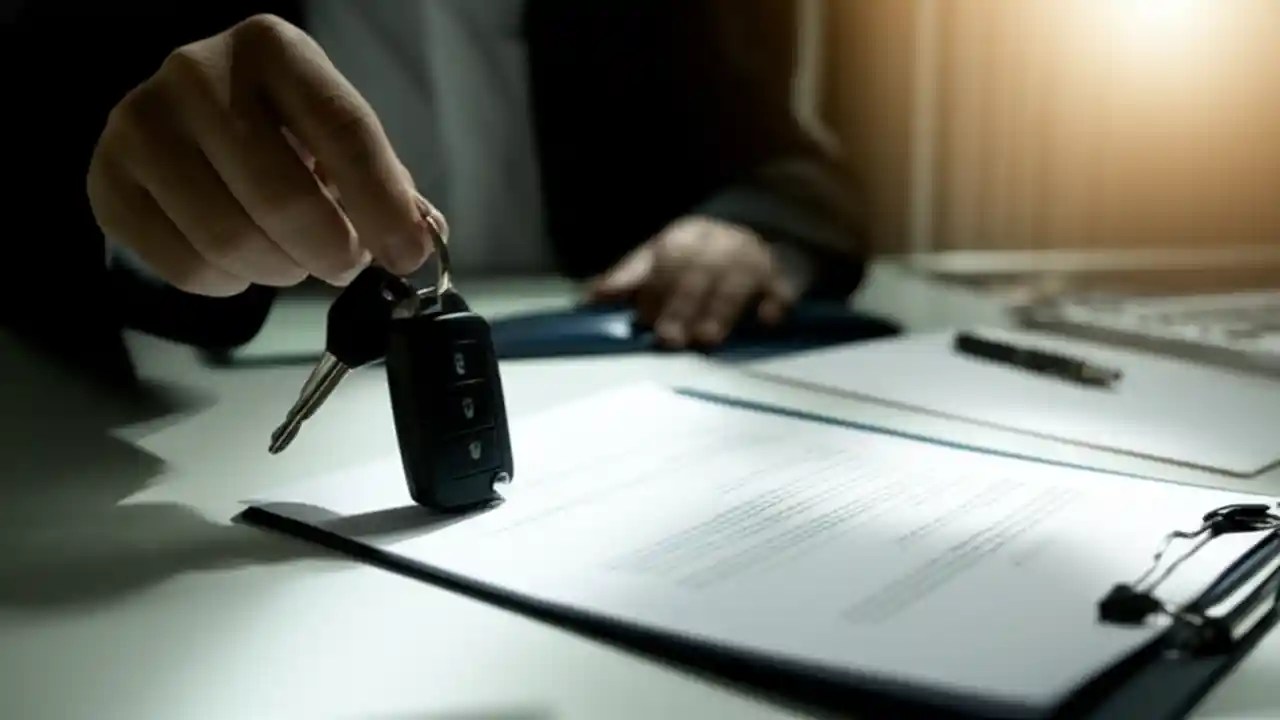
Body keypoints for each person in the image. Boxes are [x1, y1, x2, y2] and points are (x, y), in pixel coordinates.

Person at [2, 1, 866, 383]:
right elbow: (43, 168)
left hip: (620, 373)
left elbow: (798, 171)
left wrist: (742, 230)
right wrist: (132, 212)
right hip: (209, 404)